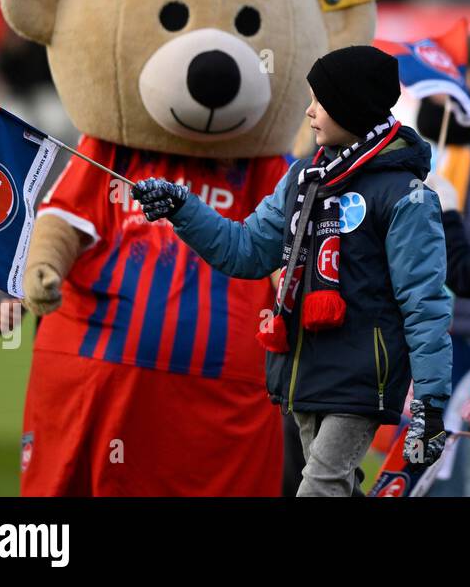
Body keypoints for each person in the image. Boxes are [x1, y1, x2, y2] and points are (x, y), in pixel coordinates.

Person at [129, 46, 452, 496]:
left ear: (350, 107)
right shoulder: (304, 177)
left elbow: (425, 302)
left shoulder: (407, 195)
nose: (309, 110)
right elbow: (244, 251)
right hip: (303, 369)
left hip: (363, 379)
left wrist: (431, 405)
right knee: (336, 490)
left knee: (318, 490)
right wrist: (182, 206)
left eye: (320, 100)